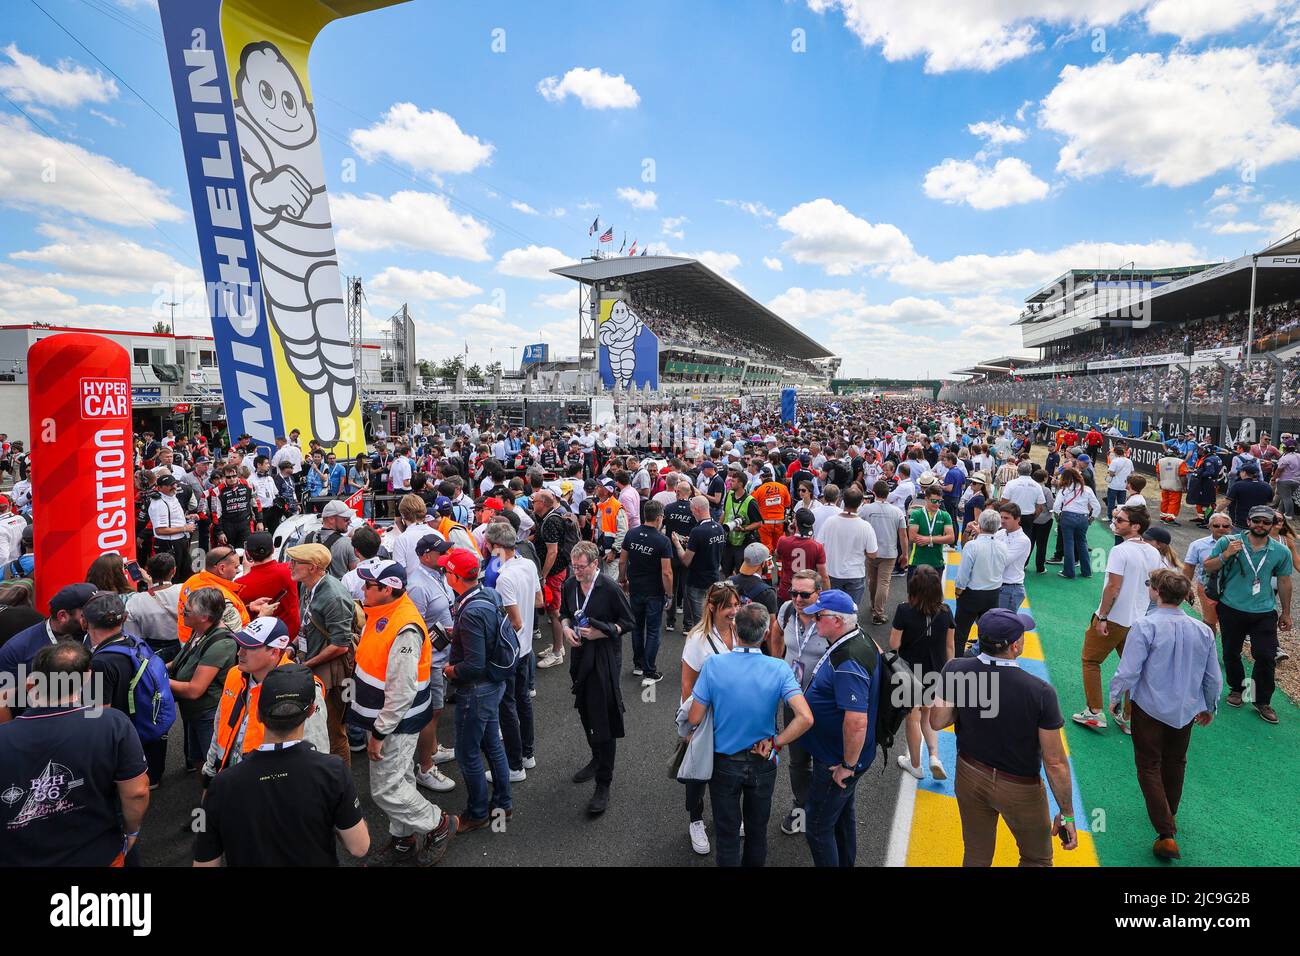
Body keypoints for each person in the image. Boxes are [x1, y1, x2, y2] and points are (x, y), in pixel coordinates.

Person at [932, 608, 1077, 866]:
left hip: (969, 774)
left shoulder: (955, 669)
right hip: (1020, 786)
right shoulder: (1041, 692)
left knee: (976, 855)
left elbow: (937, 720)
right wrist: (1066, 813)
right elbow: (1054, 762)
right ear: (1015, 646)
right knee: (1037, 859)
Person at [194, 663, 370, 866]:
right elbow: (359, 847)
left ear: (258, 714)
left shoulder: (222, 784)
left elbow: (205, 862)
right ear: (312, 710)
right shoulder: (332, 771)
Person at [0, 640, 149, 866]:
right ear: (88, 678)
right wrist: (131, 832)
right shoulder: (112, 724)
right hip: (99, 855)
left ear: (32, 684)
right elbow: (137, 792)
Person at [686, 604, 813, 867]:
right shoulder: (779, 669)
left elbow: (695, 718)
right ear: (766, 633)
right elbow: (805, 717)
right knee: (757, 833)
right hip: (762, 761)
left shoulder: (714, 665)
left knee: (727, 833)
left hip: (723, 762)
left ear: (735, 627)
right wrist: (776, 742)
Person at [1108, 570, 1222, 861]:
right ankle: (1169, 820)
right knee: (1176, 762)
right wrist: (1210, 705)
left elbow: (1129, 670)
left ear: (1156, 591)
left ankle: (1166, 830)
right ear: (1184, 595)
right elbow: (1213, 676)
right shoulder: (1204, 630)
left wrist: (1115, 696)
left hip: (1150, 707)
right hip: (1185, 709)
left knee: (1148, 766)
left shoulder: (1144, 626)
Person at [351, 560, 458, 865]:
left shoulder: (405, 626)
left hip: (395, 722)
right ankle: (403, 839)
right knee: (399, 781)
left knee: (385, 790)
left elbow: (401, 691)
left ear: (389, 589)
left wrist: (379, 733)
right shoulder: (383, 611)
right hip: (389, 718)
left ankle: (438, 823)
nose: (363, 589)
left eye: (369, 585)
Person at [797, 589, 879, 867]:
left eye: (819, 616)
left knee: (818, 828)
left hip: (835, 761)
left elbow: (856, 721)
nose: (812, 620)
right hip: (842, 755)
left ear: (838, 621)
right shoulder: (857, 637)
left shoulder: (848, 661)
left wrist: (847, 765)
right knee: (843, 816)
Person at [1074, 504, 1164, 732]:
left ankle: (1094, 712)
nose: (1115, 522)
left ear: (1135, 526)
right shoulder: (1153, 552)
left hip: (1114, 618)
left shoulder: (1120, 551)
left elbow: (1113, 587)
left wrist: (1102, 616)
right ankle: (1128, 717)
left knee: (1091, 661)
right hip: (1138, 619)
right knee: (1132, 668)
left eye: (1121, 520)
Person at [560, 541, 633, 815]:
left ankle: (604, 782)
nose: (576, 571)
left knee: (604, 716)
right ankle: (596, 756)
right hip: (581, 656)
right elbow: (565, 613)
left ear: (595, 564)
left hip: (605, 658)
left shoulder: (609, 588)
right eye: (573, 566)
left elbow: (628, 622)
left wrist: (604, 632)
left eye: (581, 567)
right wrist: (566, 629)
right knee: (586, 712)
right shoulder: (570, 585)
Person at [1202, 504, 1292, 725]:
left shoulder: (1281, 551)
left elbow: (1284, 581)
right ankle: (1237, 688)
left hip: (1264, 611)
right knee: (1231, 651)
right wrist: (1226, 555)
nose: (1261, 525)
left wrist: (1286, 613)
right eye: (1257, 521)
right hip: (1231, 607)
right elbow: (1208, 566)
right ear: (1248, 521)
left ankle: (1262, 700)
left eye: (1266, 522)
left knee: (1265, 655)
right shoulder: (1228, 542)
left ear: (1272, 526)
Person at [679, 579, 740, 854]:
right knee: (698, 772)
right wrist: (690, 725)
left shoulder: (741, 631)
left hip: (735, 718)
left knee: (730, 768)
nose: (735, 611)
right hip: (705, 718)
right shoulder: (697, 639)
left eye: (737, 605)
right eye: (729, 606)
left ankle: (727, 815)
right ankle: (695, 820)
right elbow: (687, 686)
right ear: (713, 607)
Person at [288, 542, 359, 766]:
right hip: (313, 661)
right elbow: (307, 626)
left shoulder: (333, 597)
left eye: (296, 562)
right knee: (314, 725)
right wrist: (292, 648)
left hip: (332, 668)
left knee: (333, 730)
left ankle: (342, 786)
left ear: (313, 567)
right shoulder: (307, 586)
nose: (290, 565)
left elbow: (340, 645)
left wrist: (307, 664)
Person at [769, 569, 827, 834]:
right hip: (794, 700)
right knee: (798, 760)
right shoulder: (786, 610)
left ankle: (824, 808)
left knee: (826, 758)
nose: (798, 599)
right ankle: (801, 805)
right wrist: (777, 664)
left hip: (825, 703)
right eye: (794, 592)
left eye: (805, 594)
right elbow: (776, 634)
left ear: (819, 592)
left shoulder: (830, 618)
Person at [485, 524, 542, 782]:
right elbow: (539, 601)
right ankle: (527, 755)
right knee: (522, 701)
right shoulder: (528, 565)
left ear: (496, 547)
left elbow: (515, 621)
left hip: (510, 651)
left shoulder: (504, 578)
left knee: (507, 707)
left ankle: (514, 766)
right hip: (526, 647)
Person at [889, 564, 953, 781]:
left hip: (910, 672)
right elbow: (950, 647)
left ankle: (915, 764)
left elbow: (893, 643)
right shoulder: (945, 612)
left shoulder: (904, 610)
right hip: (936, 671)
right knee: (927, 716)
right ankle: (934, 755)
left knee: (913, 719)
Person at [168, 587, 238, 774]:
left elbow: (194, 689)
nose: (182, 612)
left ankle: (214, 801)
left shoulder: (221, 644)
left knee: (213, 768)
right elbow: (178, 662)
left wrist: (154, 679)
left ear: (204, 617)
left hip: (208, 715)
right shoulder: (199, 631)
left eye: (187, 611)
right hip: (194, 712)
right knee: (198, 759)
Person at [620, 497, 673, 684]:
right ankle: (650, 671)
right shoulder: (663, 541)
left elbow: (622, 560)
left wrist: (622, 579)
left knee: (636, 628)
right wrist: (670, 595)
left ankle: (638, 665)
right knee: (652, 631)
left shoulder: (631, 534)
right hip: (654, 592)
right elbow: (666, 572)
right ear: (658, 518)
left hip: (635, 589)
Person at [953, 510, 1007, 656]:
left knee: (960, 634)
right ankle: (984, 663)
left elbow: (963, 574)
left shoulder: (972, 546)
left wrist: (958, 590)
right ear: (998, 526)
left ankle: (957, 663)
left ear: (980, 525)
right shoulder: (1002, 546)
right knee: (987, 634)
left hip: (971, 594)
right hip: (993, 594)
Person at [815, 485, 878, 610]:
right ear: (860, 502)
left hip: (832, 572)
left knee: (832, 610)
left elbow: (818, 545)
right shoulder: (865, 526)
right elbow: (873, 554)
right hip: (855, 574)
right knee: (851, 611)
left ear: (842, 500)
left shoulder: (830, 522)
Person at [672, 495, 727, 633]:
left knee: (700, 622)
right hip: (713, 579)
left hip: (697, 581)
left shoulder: (698, 531)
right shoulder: (719, 528)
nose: (691, 513)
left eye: (692, 511)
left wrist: (677, 544)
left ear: (696, 509)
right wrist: (691, 542)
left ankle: (702, 649)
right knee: (711, 617)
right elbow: (709, 547)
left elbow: (686, 560)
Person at [175, 547, 251, 645]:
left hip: (188, 639)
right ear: (222, 568)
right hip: (207, 648)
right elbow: (235, 637)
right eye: (236, 567)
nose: (237, 571)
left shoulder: (193, 580)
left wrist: (249, 607)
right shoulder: (220, 598)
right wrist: (262, 615)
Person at [861, 480, 907, 624]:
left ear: (874, 492)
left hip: (871, 551)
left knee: (872, 580)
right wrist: (905, 554)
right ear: (888, 494)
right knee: (884, 582)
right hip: (889, 552)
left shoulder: (865, 509)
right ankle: (878, 612)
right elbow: (903, 535)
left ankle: (873, 604)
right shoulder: (897, 511)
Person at [237, 532, 300, 637]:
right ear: (273, 549)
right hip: (290, 634)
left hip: (261, 637)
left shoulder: (240, 583)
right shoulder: (288, 570)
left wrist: (245, 574)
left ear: (247, 554)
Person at [1182, 512, 1232, 639]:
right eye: (1216, 525)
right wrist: (1186, 587)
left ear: (1230, 528)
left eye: (1225, 526)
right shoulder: (1198, 545)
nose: (1221, 528)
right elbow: (1189, 567)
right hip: (1207, 588)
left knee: (1231, 623)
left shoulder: (1241, 544)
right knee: (1209, 622)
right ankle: (1208, 649)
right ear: (1210, 527)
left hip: (1233, 589)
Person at [1051, 467, 1101, 579]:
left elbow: (1056, 506)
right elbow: (1096, 507)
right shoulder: (1087, 489)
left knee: (1068, 543)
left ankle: (1069, 571)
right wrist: (1091, 518)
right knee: (1082, 543)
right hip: (1083, 517)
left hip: (1067, 516)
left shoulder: (1064, 490)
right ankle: (1086, 571)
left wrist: (1058, 516)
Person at [148, 473, 195, 573]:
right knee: (173, 575)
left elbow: (172, 518)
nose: (174, 486)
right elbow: (160, 530)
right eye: (170, 485)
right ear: (159, 488)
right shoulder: (159, 504)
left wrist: (186, 518)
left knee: (186, 572)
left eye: (175, 483)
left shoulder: (171, 496)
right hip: (169, 544)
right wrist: (185, 528)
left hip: (179, 541)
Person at [908, 484, 955, 580]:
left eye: (940, 501)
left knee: (934, 595)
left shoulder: (945, 515)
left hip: (936, 563)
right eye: (934, 501)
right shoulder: (916, 514)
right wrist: (939, 539)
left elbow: (951, 538)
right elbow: (912, 537)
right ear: (926, 499)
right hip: (917, 562)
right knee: (914, 594)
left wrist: (929, 539)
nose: (937, 504)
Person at [995, 502, 1032, 611]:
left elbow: (1003, 561)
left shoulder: (1023, 540)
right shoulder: (1000, 533)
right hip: (999, 585)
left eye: (1006, 518)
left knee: (1000, 624)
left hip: (1010, 588)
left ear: (1018, 519)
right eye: (1001, 517)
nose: (1002, 520)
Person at [1226, 462, 1273, 531]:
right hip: (1258, 523)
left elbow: (1227, 501)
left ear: (1244, 473)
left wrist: (1217, 511)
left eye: (1240, 472)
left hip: (1240, 522)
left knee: (1238, 540)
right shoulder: (1267, 486)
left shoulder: (1238, 485)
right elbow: (1269, 504)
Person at [1156, 448, 1189, 524]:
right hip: (1175, 486)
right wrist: (1184, 486)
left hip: (1164, 484)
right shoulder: (1180, 462)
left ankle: (1163, 516)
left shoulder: (1160, 461)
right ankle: (1170, 519)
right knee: (1174, 502)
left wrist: (1160, 483)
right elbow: (1183, 476)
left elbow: (1158, 473)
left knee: (1165, 501)